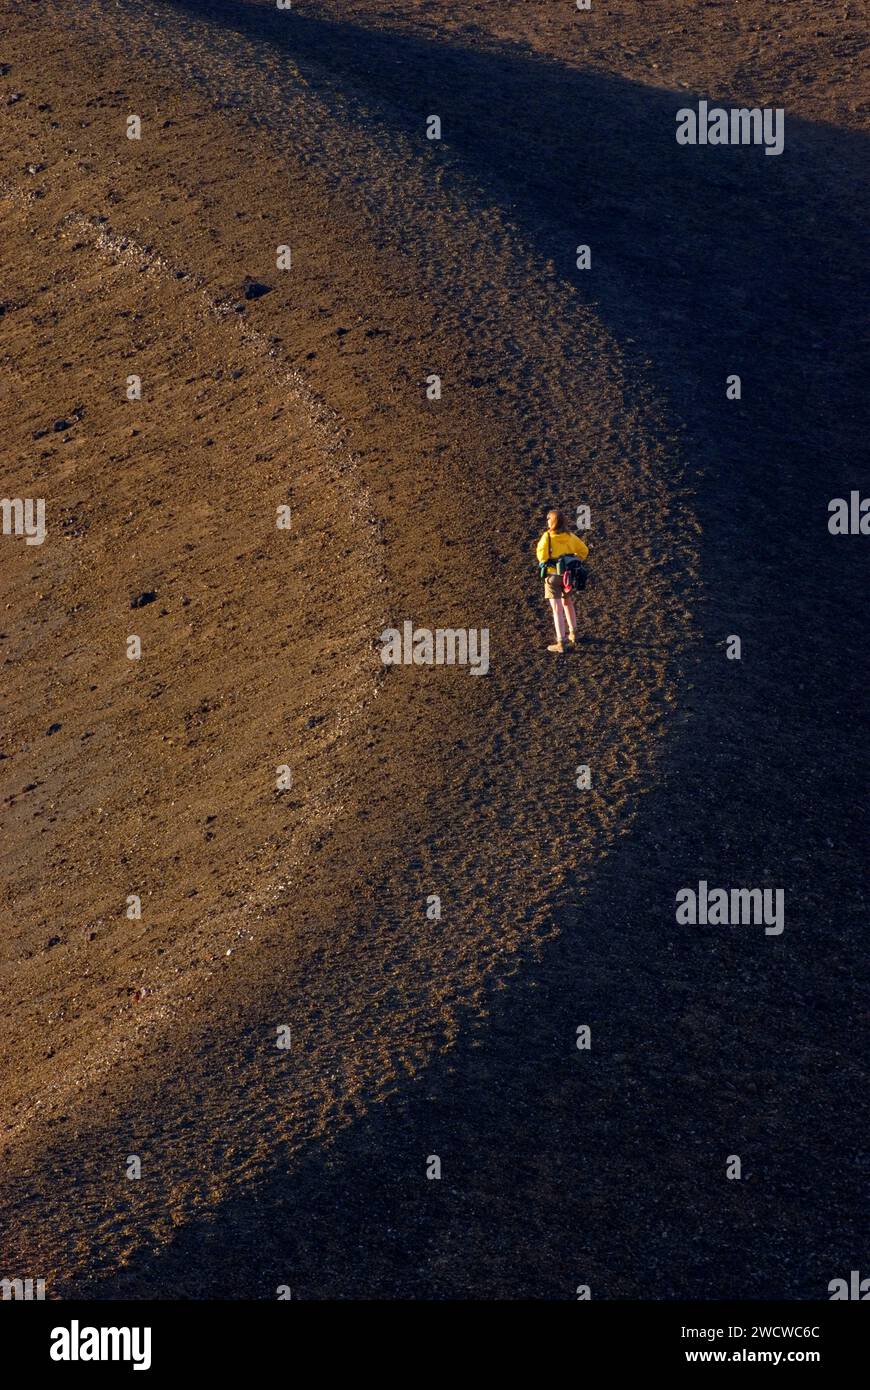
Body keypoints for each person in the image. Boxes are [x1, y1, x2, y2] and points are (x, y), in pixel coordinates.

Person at [535, 509, 589, 653]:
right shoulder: (571, 536)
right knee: (568, 603)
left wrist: (545, 561)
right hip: (568, 577)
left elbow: (542, 556)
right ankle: (574, 633)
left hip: (552, 577)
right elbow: (584, 550)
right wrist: (574, 560)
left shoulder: (547, 537)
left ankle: (561, 642)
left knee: (557, 609)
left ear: (551, 521)